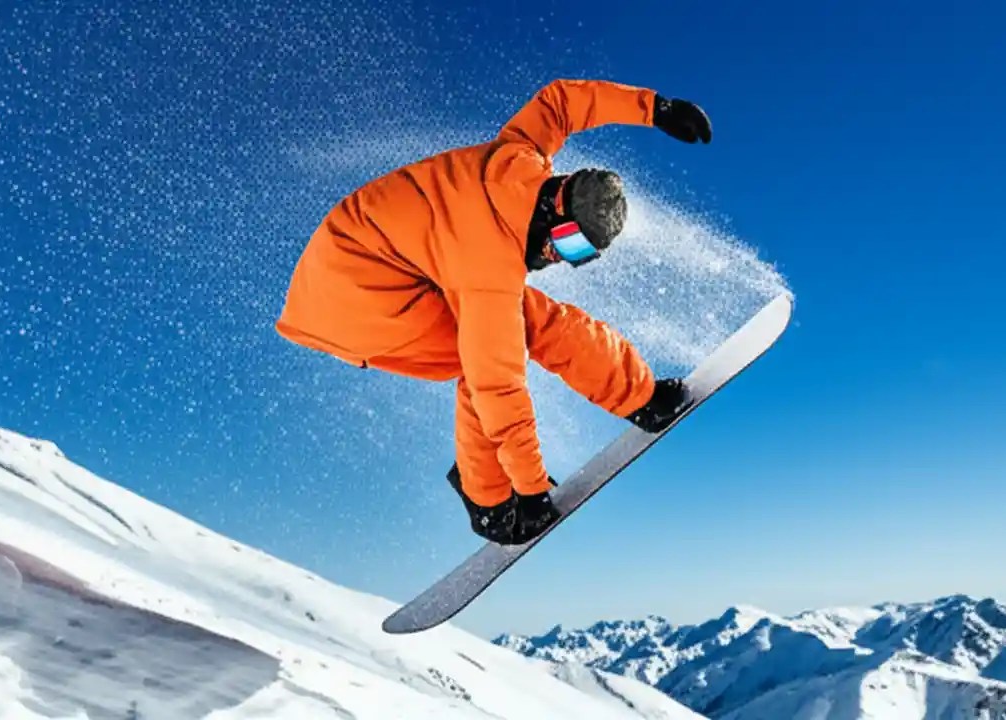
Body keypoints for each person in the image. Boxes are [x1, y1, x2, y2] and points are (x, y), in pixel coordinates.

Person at [275, 79, 713, 545]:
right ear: (554, 209)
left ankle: (640, 397)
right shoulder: (486, 258)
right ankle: (488, 502)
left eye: (580, 254)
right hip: (349, 296)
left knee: (535, 323)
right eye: (568, 243)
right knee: (485, 358)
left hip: (367, 250)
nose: (559, 258)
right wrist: (530, 490)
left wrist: (657, 109)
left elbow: (561, 101)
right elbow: (496, 383)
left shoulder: (522, 159)